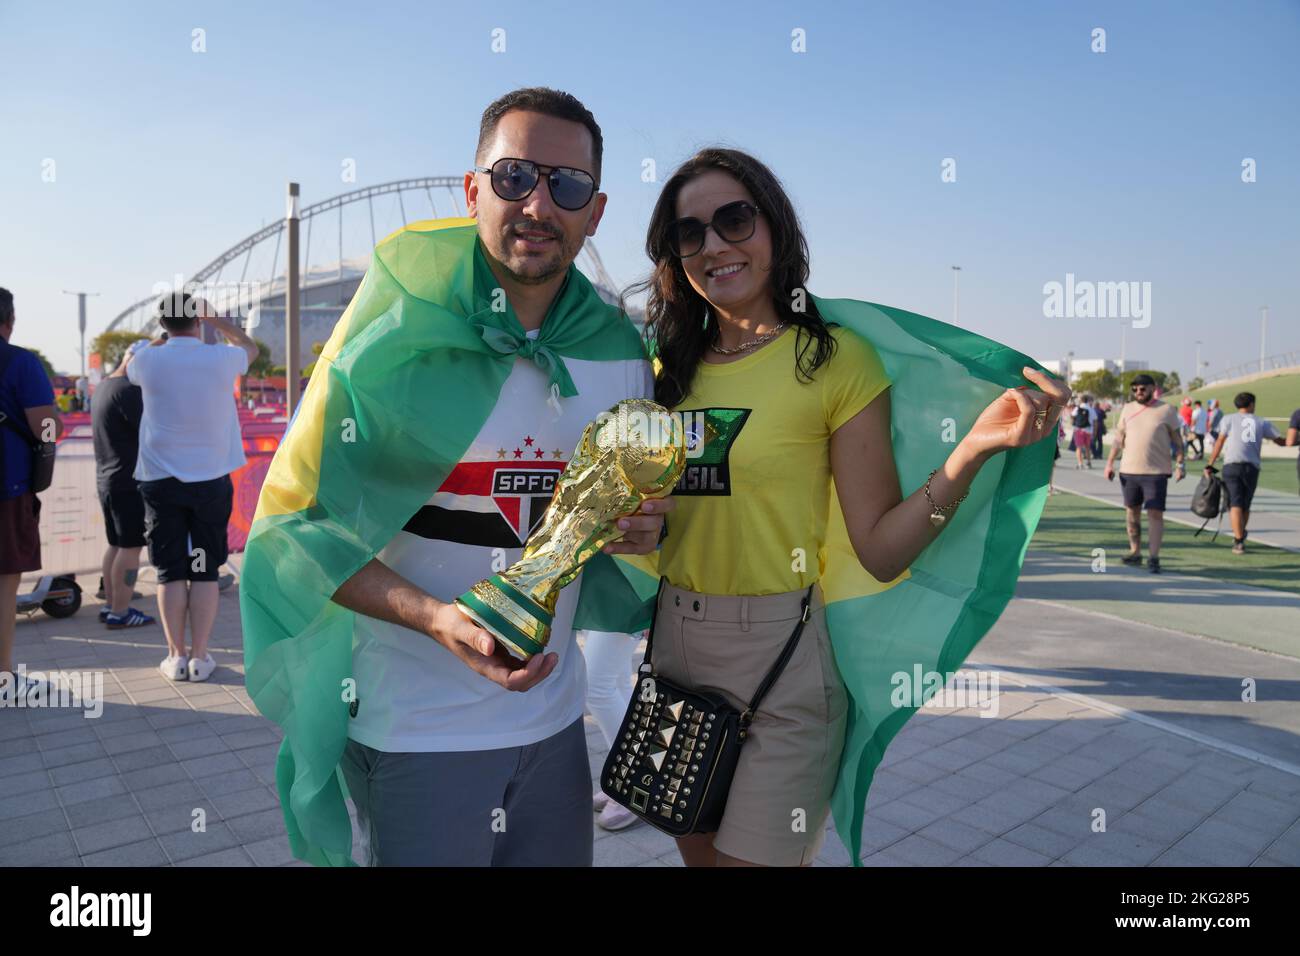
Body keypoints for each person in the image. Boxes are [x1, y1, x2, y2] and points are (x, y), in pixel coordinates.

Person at [241, 88, 670, 867]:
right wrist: (436, 618)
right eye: (513, 178)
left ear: (596, 211)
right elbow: (299, 531)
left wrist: (641, 532)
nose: (539, 203)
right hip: (415, 731)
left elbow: (612, 531)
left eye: (567, 186)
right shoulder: (390, 342)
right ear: (472, 191)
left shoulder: (619, 355)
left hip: (554, 730)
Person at [617, 147, 1068, 867]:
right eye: (689, 232)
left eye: (735, 219)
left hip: (787, 656)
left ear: (775, 228)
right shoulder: (660, 369)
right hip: (673, 649)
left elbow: (882, 549)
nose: (715, 245)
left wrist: (972, 450)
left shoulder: (834, 359)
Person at [127, 293, 256, 682]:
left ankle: (175, 656)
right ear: (198, 322)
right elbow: (249, 346)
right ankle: (201, 657)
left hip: (160, 481)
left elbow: (132, 363)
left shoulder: (148, 360)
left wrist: (159, 336)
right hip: (210, 482)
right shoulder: (221, 359)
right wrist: (217, 320)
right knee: (202, 569)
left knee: (169, 571)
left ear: (163, 325)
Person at [0, 288, 62, 694]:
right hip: (7, 486)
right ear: (10, 320)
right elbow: (46, 426)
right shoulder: (20, 362)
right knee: (5, 582)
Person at [91, 340, 155, 629]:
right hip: (128, 480)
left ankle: (110, 605)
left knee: (116, 545)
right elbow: (151, 432)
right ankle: (121, 611)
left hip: (107, 478)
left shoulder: (104, 387)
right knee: (130, 547)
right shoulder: (129, 392)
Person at [1103, 373, 1184, 573]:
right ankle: (1135, 551)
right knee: (1132, 512)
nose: (1139, 392)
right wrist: (1110, 463)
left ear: (1152, 388)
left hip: (1156, 472)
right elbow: (1118, 439)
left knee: (1155, 514)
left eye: (1143, 388)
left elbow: (1178, 441)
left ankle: (1154, 557)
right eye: (1135, 389)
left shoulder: (1167, 410)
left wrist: (1180, 464)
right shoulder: (1128, 409)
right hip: (1129, 471)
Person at [1204, 391, 1286, 554]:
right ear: (1252, 404)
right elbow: (1281, 442)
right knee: (1245, 505)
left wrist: (1210, 463)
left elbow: (1219, 441)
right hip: (1251, 467)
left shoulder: (1228, 419)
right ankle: (1240, 534)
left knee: (1234, 504)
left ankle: (1238, 540)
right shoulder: (1262, 422)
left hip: (1231, 465)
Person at [581, 629, 642, 830]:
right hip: (604, 599)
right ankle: (625, 778)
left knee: (596, 685)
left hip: (627, 600)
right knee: (615, 679)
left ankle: (632, 784)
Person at [1071, 395, 1094, 468]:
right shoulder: (1091, 409)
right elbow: (1095, 420)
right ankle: (1088, 463)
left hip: (1078, 430)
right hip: (1088, 430)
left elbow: (1072, 416)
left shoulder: (1077, 408)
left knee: (1079, 447)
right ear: (1087, 400)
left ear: (1081, 400)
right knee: (1087, 447)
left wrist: (1074, 423)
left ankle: (1080, 463)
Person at [1090, 395, 1106, 459]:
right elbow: (1104, 417)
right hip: (1100, 428)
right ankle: (1100, 454)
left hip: (1094, 428)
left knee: (1093, 441)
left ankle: (1094, 454)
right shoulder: (1101, 411)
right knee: (1100, 442)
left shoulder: (1092, 410)